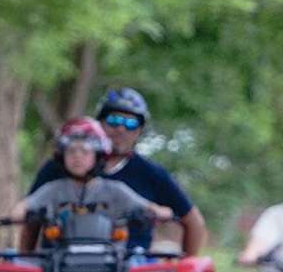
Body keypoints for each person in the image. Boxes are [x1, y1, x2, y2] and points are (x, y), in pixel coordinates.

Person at [25, 87, 207, 255]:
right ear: (99, 124)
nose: (120, 128)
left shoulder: (151, 173)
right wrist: (26, 260)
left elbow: (193, 221)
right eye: (114, 120)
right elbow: (30, 218)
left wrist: (186, 263)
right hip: (57, 265)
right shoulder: (59, 167)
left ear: (139, 131)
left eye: (130, 123)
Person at [6, 117, 175, 238]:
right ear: (62, 157)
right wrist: (22, 213)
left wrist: (160, 213)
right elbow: (24, 206)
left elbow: (150, 208)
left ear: (98, 156)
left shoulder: (115, 190)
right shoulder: (54, 189)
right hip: (59, 262)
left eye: (85, 151)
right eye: (71, 151)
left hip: (112, 262)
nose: (77, 157)